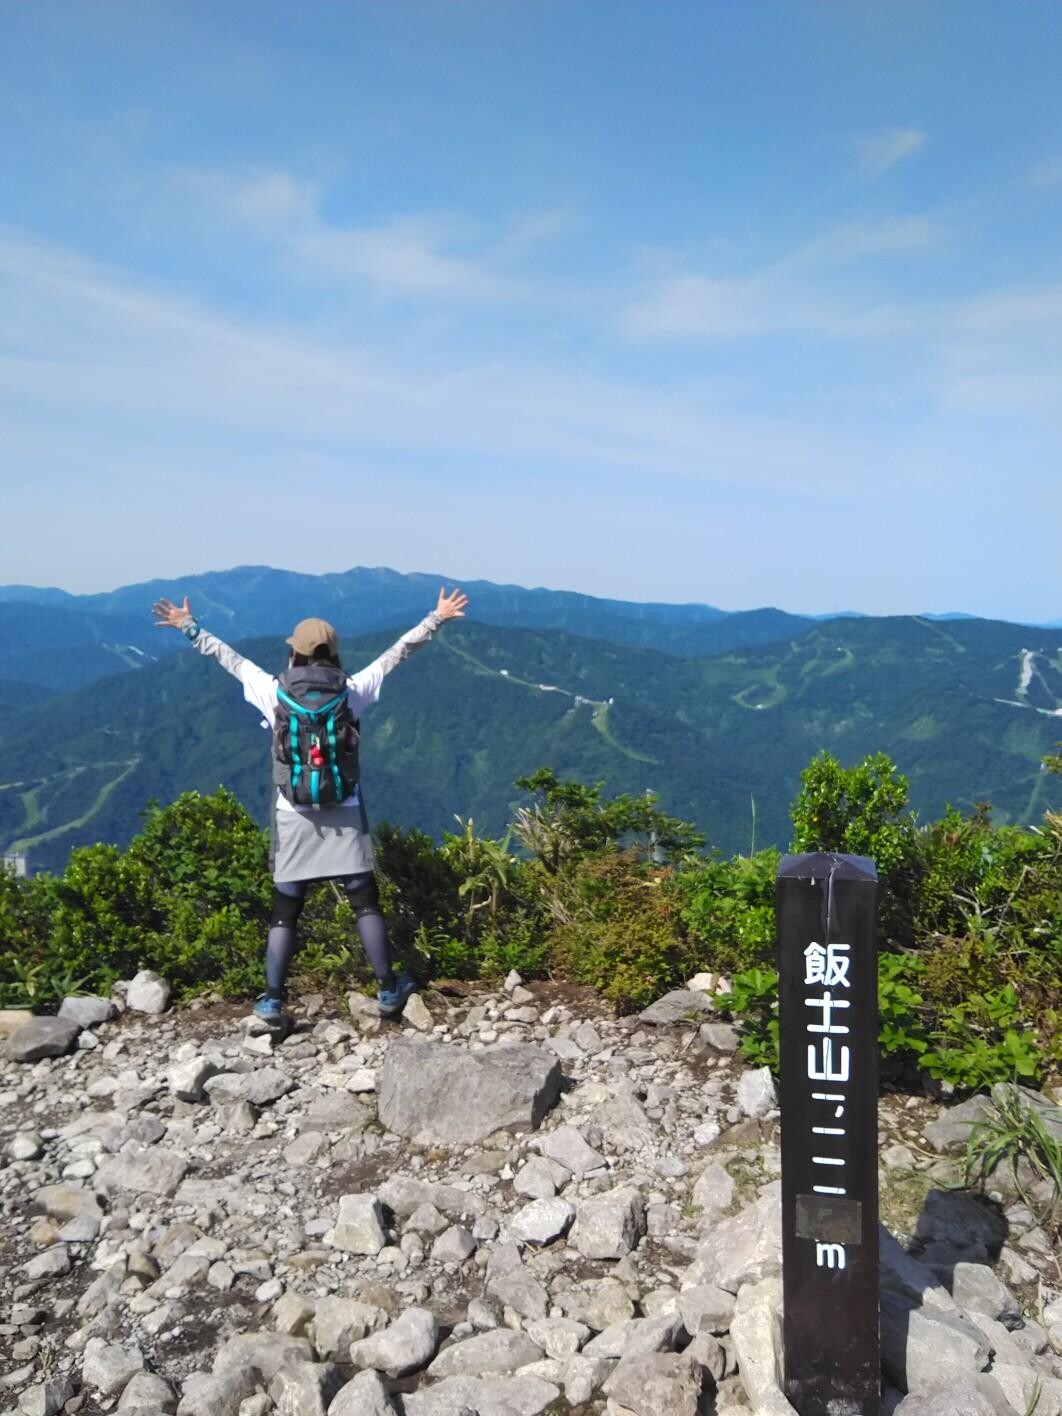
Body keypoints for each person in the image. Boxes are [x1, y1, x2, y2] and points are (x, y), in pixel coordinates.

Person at [152, 587, 469, 1024]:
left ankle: (271, 1000)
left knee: (286, 909)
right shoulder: (352, 691)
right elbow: (397, 654)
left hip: (292, 810)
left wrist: (189, 627)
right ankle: (387, 988)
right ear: (333, 652)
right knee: (364, 902)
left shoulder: (273, 691)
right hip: (345, 805)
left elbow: (229, 659)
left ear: (295, 653)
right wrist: (436, 618)